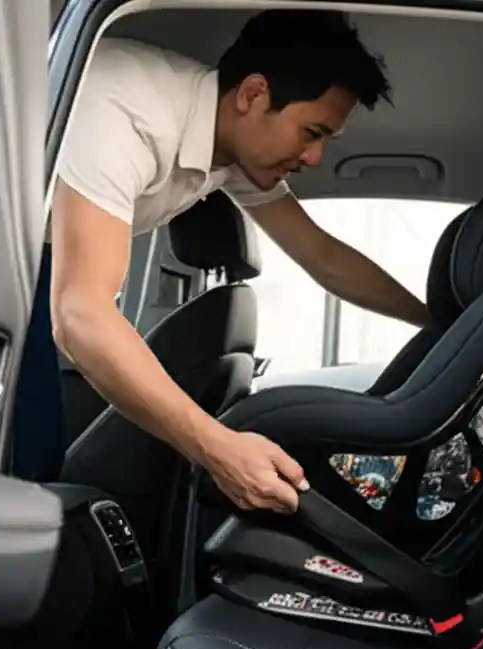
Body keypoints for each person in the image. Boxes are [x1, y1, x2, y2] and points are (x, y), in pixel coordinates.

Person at [50, 10, 427, 517]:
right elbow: (80, 313)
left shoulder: (232, 148)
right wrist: (218, 447)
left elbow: (326, 258)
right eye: (311, 131)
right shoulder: (125, 113)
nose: (314, 158)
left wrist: (437, 322)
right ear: (253, 95)